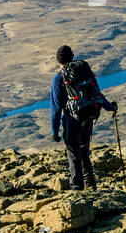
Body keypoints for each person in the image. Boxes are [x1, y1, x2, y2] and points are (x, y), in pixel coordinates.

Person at [49, 45, 117, 191]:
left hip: (71, 119)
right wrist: (110, 107)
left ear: (58, 60)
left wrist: (54, 131)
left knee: (73, 153)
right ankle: (91, 184)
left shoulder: (59, 78)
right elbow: (97, 93)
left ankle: (77, 188)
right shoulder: (85, 73)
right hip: (88, 115)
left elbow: (56, 106)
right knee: (83, 150)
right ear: (72, 57)